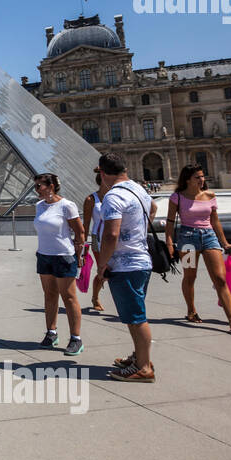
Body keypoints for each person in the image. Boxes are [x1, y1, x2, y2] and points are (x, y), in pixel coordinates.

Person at [166, 165, 231, 334]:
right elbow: (169, 222)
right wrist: (169, 243)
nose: (201, 179)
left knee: (220, 278)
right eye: (197, 177)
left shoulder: (210, 195)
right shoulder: (177, 197)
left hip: (209, 238)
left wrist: (225, 243)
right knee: (190, 276)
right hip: (188, 240)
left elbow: (215, 221)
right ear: (188, 179)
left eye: (202, 176)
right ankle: (191, 310)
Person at [94, 153, 156, 383]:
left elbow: (111, 235)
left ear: (102, 173)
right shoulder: (139, 190)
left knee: (136, 317)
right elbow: (154, 210)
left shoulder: (113, 196)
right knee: (134, 314)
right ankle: (139, 357)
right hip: (141, 261)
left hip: (124, 264)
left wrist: (102, 265)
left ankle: (144, 368)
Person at [32, 173, 85, 356]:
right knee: (49, 295)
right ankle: (51, 332)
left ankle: (76, 338)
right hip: (44, 255)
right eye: (35, 186)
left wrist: (79, 256)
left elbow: (80, 232)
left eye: (40, 186)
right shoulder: (39, 206)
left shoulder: (66, 206)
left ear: (52, 186)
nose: (37, 189)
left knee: (69, 298)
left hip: (63, 256)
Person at [81, 174, 109, 313]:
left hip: (116, 238)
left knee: (118, 270)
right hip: (98, 238)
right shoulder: (91, 199)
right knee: (103, 270)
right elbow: (85, 224)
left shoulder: (117, 196)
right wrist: (83, 245)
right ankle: (95, 297)